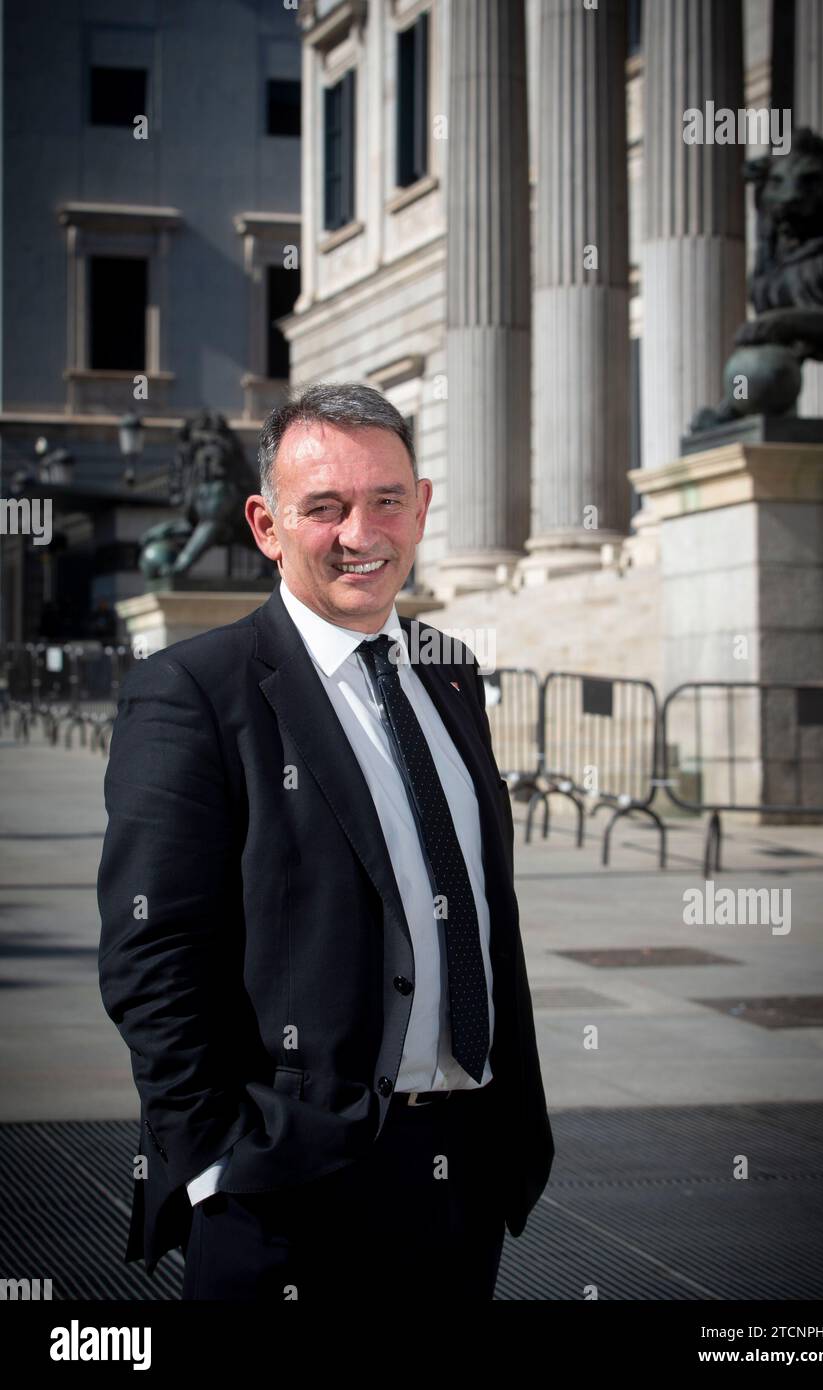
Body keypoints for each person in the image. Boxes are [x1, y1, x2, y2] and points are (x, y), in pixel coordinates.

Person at [97, 382, 554, 1301]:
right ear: (266, 525)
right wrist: (216, 1161)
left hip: (462, 1170)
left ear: (421, 507)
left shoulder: (451, 674)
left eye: (386, 500)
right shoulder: (196, 692)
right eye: (325, 508)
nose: (361, 532)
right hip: (286, 1186)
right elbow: (153, 952)